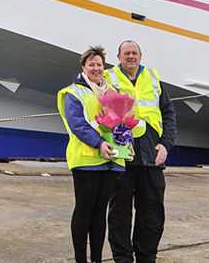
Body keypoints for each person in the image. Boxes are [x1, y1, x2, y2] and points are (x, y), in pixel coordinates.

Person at [105, 40, 176, 263]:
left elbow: (169, 115)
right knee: (119, 213)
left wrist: (166, 144)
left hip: (151, 155)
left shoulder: (154, 79)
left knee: (152, 213)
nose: (131, 56)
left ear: (141, 56)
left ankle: (147, 258)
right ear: (118, 57)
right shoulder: (108, 77)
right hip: (122, 155)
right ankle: (122, 259)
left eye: (134, 53)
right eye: (126, 53)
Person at [57, 46, 126, 263]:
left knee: (100, 213)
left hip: (111, 161)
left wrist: (125, 142)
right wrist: (99, 143)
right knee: (84, 211)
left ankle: (96, 259)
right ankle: (80, 260)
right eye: (92, 64)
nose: (96, 68)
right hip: (87, 160)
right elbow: (77, 124)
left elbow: (123, 122)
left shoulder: (112, 92)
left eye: (99, 64)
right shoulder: (74, 92)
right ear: (83, 68)